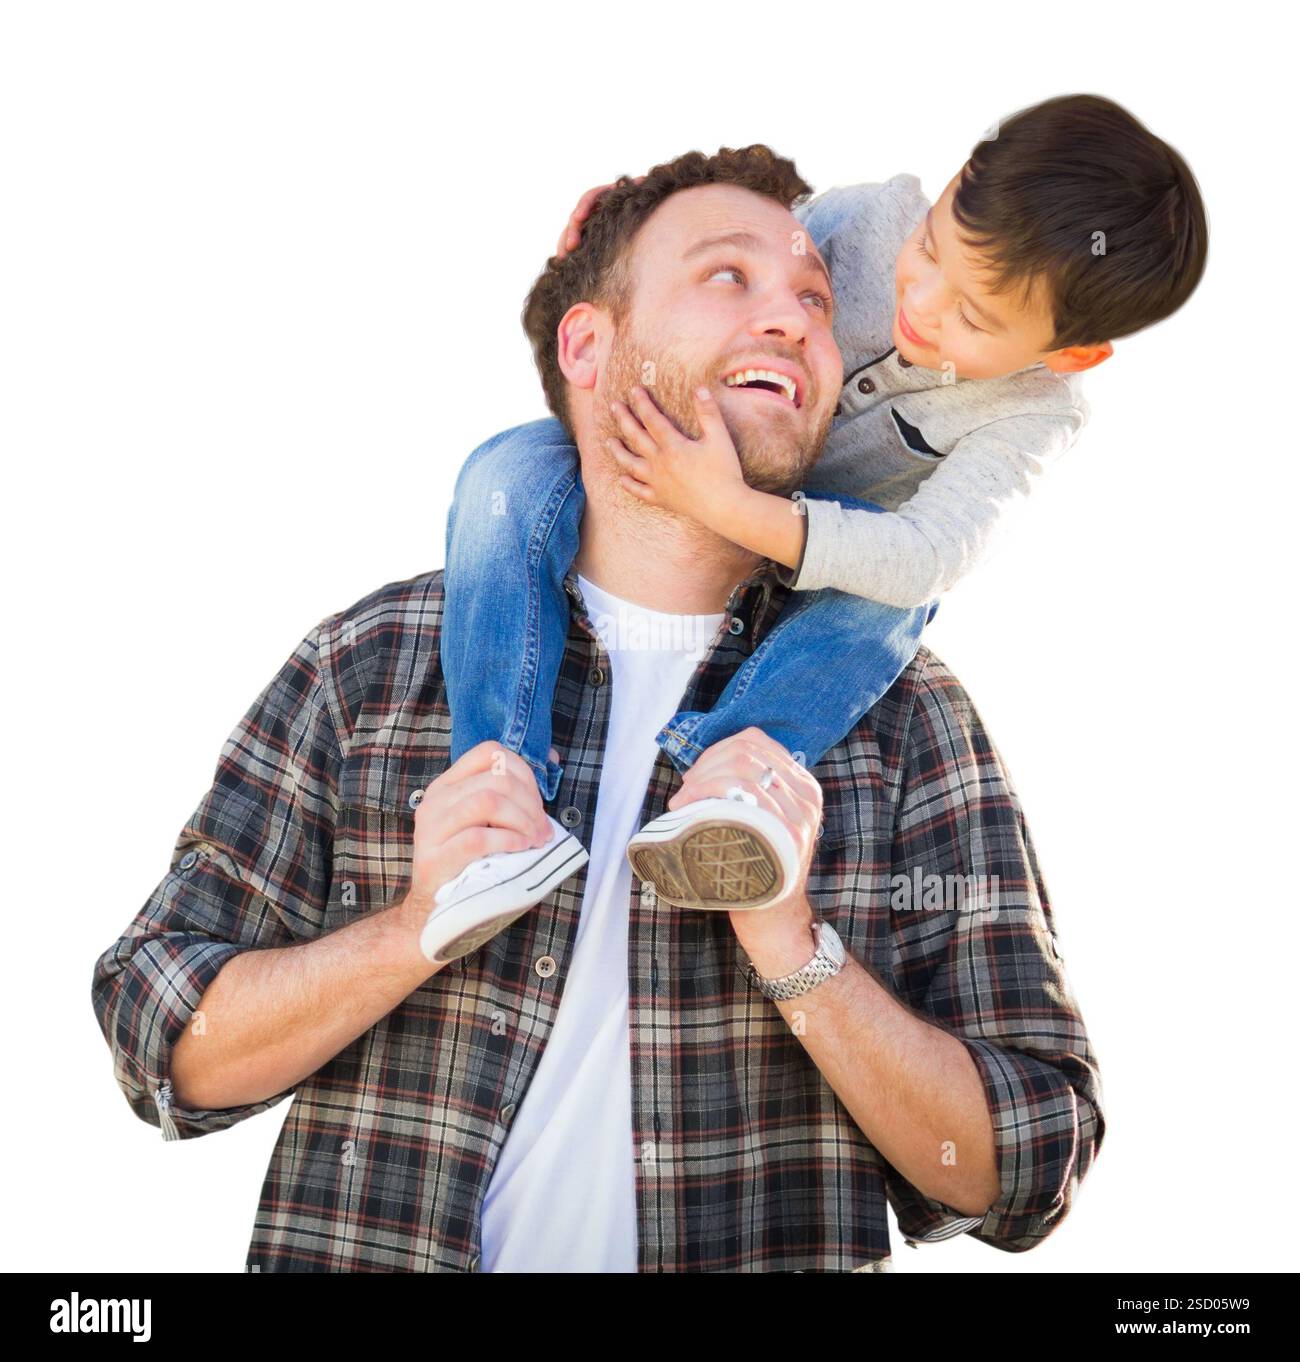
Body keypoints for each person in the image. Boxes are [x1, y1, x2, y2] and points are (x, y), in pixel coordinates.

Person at [91, 144, 1104, 1272]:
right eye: (728, 276)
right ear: (588, 343)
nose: (793, 319)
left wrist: (791, 943)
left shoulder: (908, 723)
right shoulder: (370, 666)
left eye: (819, 301)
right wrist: (413, 930)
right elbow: (157, 1038)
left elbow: (1024, 1165)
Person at [430, 96, 1207, 955]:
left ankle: (727, 784)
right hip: (667, 471)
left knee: (899, 606)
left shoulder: (1034, 413)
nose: (923, 297)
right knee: (506, 470)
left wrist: (735, 509)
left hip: (824, 564)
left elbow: (927, 555)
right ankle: (497, 789)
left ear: (1069, 355)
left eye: (976, 317)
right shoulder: (865, 217)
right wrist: (615, 240)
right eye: (933, 247)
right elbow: (730, 254)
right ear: (948, 186)